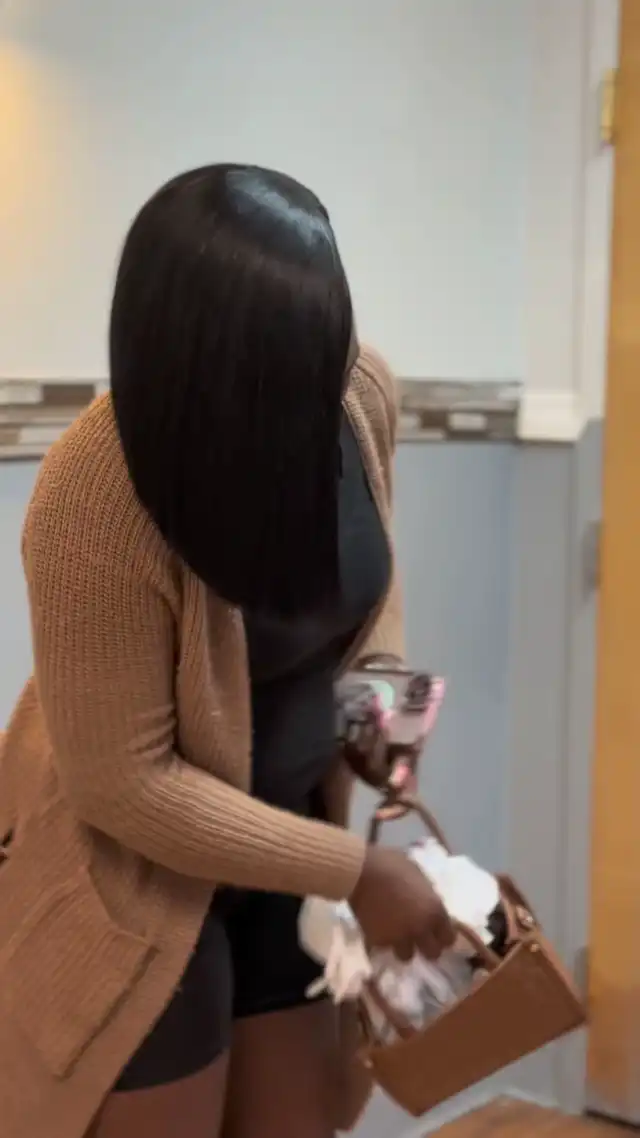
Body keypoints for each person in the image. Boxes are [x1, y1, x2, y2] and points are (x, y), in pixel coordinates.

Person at [0, 164, 454, 1138]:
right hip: (130, 889)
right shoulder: (93, 494)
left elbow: (370, 585)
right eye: (297, 372)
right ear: (201, 374)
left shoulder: (356, 391)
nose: (330, 383)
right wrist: (357, 872)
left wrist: (382, 705)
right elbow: (125, 786)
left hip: (289, 853)